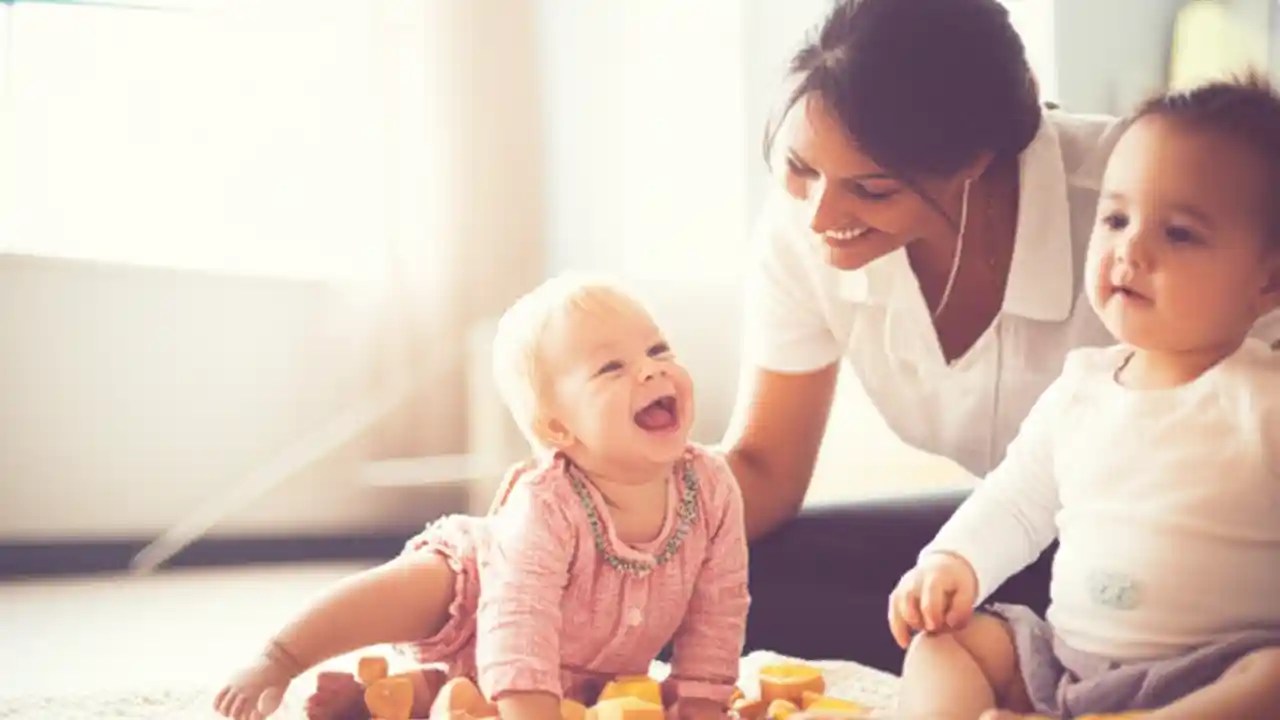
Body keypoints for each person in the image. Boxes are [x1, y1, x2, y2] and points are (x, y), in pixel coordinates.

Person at [725, 0, 1280, 672]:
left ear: (972, 163)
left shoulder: (1152, 197)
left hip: (1201, 597)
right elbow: (765, 468)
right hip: (1034, 548)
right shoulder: (805, 227)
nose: (820, 214)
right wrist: (617, 519)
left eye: (870, 189)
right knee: (728, 586)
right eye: (799, 169)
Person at [888, 75, 1280, 719]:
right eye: (1116, 217)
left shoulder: (1261, 400)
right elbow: (1016, 502)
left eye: (1178, 233)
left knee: (1272, 675)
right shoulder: (1081, 389)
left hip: (1213, 673)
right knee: (946, 643)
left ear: (1267, 281)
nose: (1131, 248)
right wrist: (952, 562)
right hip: (1066, 669)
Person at [214, 275, 749, 720]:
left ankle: (396, 698)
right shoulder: (549, 501)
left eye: (658, 350)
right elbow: (520, 615)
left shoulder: (712, 487)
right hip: (480, 595)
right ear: (557, 427)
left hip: (579, 662)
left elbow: (719, 608)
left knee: (569, 702)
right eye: (612, 368)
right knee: (415, 587)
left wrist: (701, 702)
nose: (652, 368)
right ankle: (280, 654)